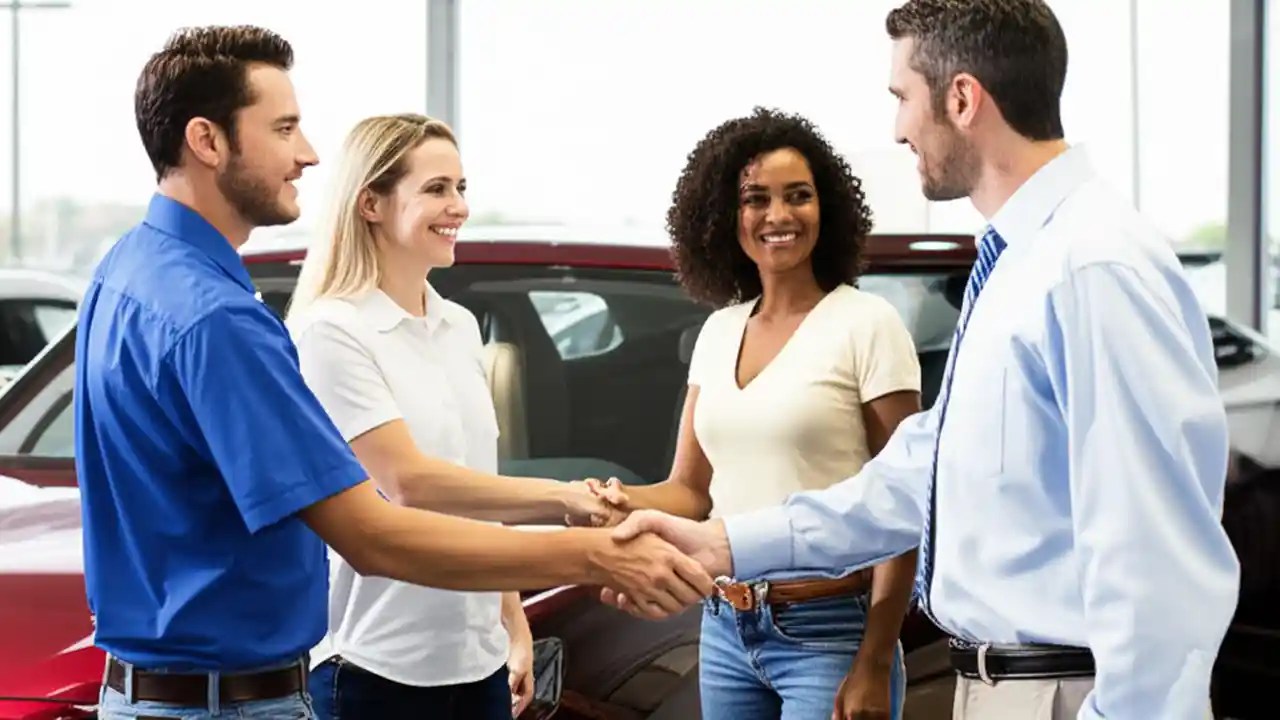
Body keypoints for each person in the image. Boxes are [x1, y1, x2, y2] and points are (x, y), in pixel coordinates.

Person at [602, 1, 1241, 719]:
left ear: (962, 98)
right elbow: (912, 482)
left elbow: (1158, 559)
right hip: (1002, 688)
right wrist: (719, 543)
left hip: (1068, 694)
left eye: (903, 97)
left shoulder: (1091, 267)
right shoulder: (1018, 267)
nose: (898, 127)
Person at [76, 25, 713, 720]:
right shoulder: (219, 320)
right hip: (236, 700)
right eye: (284, 129)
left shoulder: (124, 274)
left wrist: (519, 599)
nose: (309, 154)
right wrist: (595, 554)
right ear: (208, 142)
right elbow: (373, 532)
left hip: (157, 692)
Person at [588, 108, 921, 720]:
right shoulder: (717, 332)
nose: (779, 216)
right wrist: (621, 502)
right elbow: (690, 492)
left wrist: (875, 657)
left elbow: (907, 501)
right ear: (723, 215)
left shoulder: (867, 325)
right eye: (755, 199)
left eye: (799, 197)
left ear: (828, 208)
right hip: (724, 627)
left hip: (831, 632)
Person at [282, 113, 613, 719]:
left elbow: (472, 488)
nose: (457, 206)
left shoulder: (459, 326)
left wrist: (512, 624)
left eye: (461, 188)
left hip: (475, 666)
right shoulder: (331, 331)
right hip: (371, 670)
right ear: (371, 203)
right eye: (436, 189)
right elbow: (410, 483)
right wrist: (564, 499)